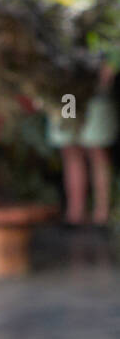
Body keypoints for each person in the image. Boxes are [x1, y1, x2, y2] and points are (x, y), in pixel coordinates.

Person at [46, 62, 117, 225]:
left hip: (94, 88)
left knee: (95, 146)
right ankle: (75, 212)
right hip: (67, 93)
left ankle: (102, 213)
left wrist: (110, 67)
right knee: (70, 147)